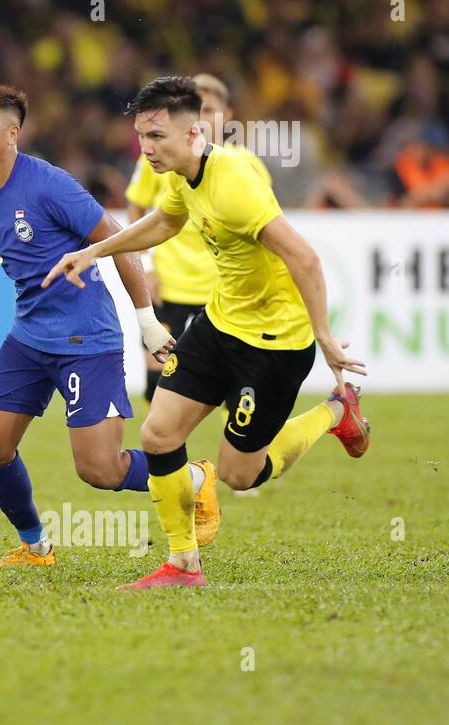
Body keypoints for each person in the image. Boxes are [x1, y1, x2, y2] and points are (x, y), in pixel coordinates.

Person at [0, 82, 216, 568]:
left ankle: (194, 479)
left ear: (12, 133)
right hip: (28, 338)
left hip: (87, 339)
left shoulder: (50, 184)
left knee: (100, 470)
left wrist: (147, 322)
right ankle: (35, 547)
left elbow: (120, 242)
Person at [44, 76, 370, 589]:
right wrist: (93, 252)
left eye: (157, 137)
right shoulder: (178, 173)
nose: (146, 149)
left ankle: (335, 411)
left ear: (194, 132)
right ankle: (183, 564)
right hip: (219, 325)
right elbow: (163, 223)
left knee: (240, 475)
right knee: (158, 433)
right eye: (141, 137)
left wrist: (324, 335)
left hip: (275, 344)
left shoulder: (235, 181)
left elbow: (304, 256)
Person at [124, 74, 271, 402]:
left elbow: (266, 232)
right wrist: (146, 266)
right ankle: (165, 452)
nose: (203, 119)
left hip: (224, 290)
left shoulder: (245, 166)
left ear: (227, 116)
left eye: (210, 110)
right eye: (198, 110)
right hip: (171, 286)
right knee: (157, 384)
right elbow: (137, 207)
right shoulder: (157, 154)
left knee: (235, 387)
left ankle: (236, 453)